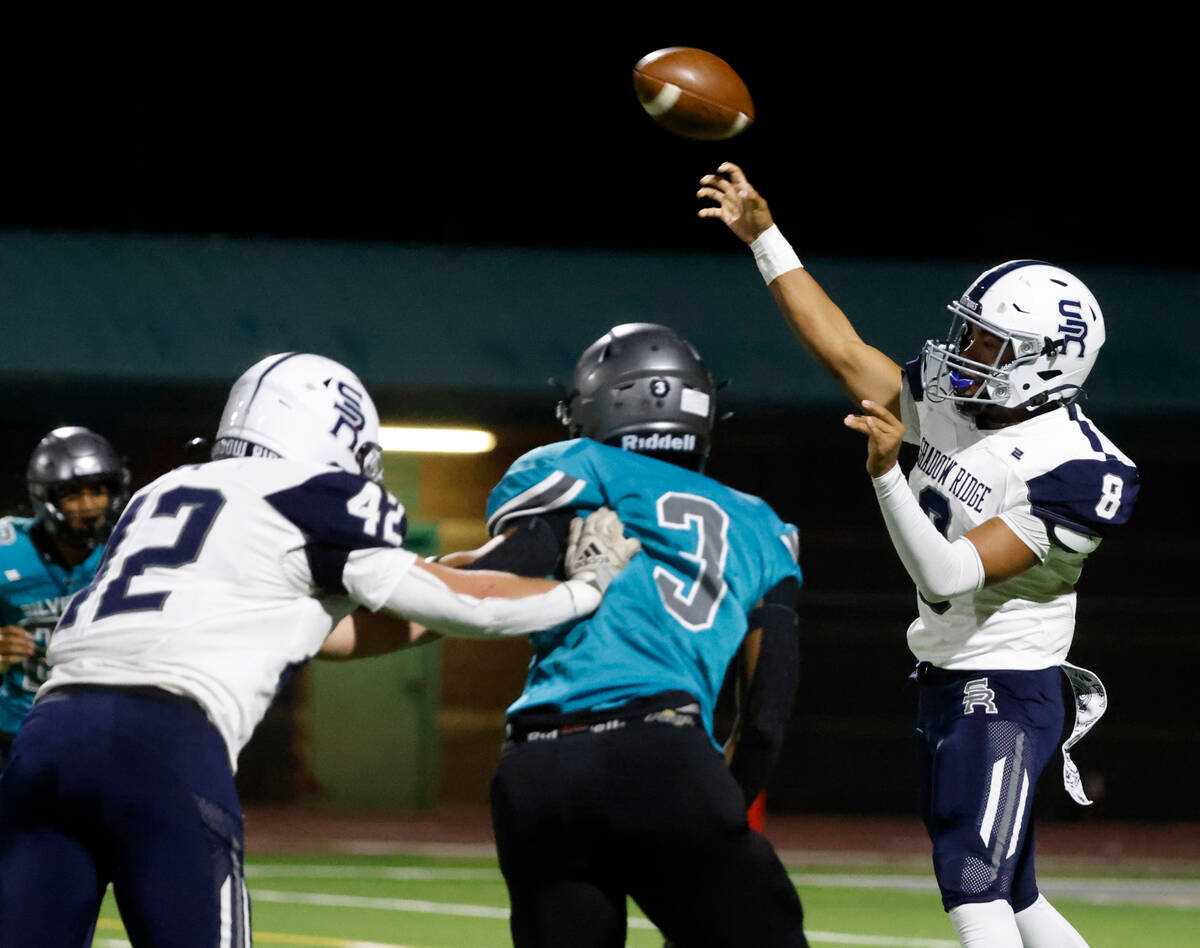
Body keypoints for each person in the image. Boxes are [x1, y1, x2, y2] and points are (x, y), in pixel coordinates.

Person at [0, 352, 640, 948]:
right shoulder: (316, 495)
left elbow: (315, 626)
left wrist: (445, 588)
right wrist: (582, 591)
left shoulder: (161, 495)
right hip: (163, 743)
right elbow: (463, 600)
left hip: (47, 739)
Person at [698, 163, 1138, 948]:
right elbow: (840, 350)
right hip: (950, 677)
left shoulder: (1078, 469)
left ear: (1049, 362)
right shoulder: (957, 400)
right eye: (970, 330)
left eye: (990, 342)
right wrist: (763, 234)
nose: (964, 351)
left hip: (1004, 688)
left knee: (973, 889)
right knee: (1021, 896)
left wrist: (885, 475)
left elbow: (946, 573)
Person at [455, 323, 808, 947]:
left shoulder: (579, 472)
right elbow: (763, 722)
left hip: (537, 766)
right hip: (659, 755)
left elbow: (488, 583)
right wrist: (710, 810)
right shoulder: (761, 526)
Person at [0, 426, 131, 767]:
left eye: (98, 491)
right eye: (73, 494)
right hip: (11, 733)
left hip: (98, 733)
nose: (88, 506)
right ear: (45, 497)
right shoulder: (7, 550)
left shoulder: (127, 552)